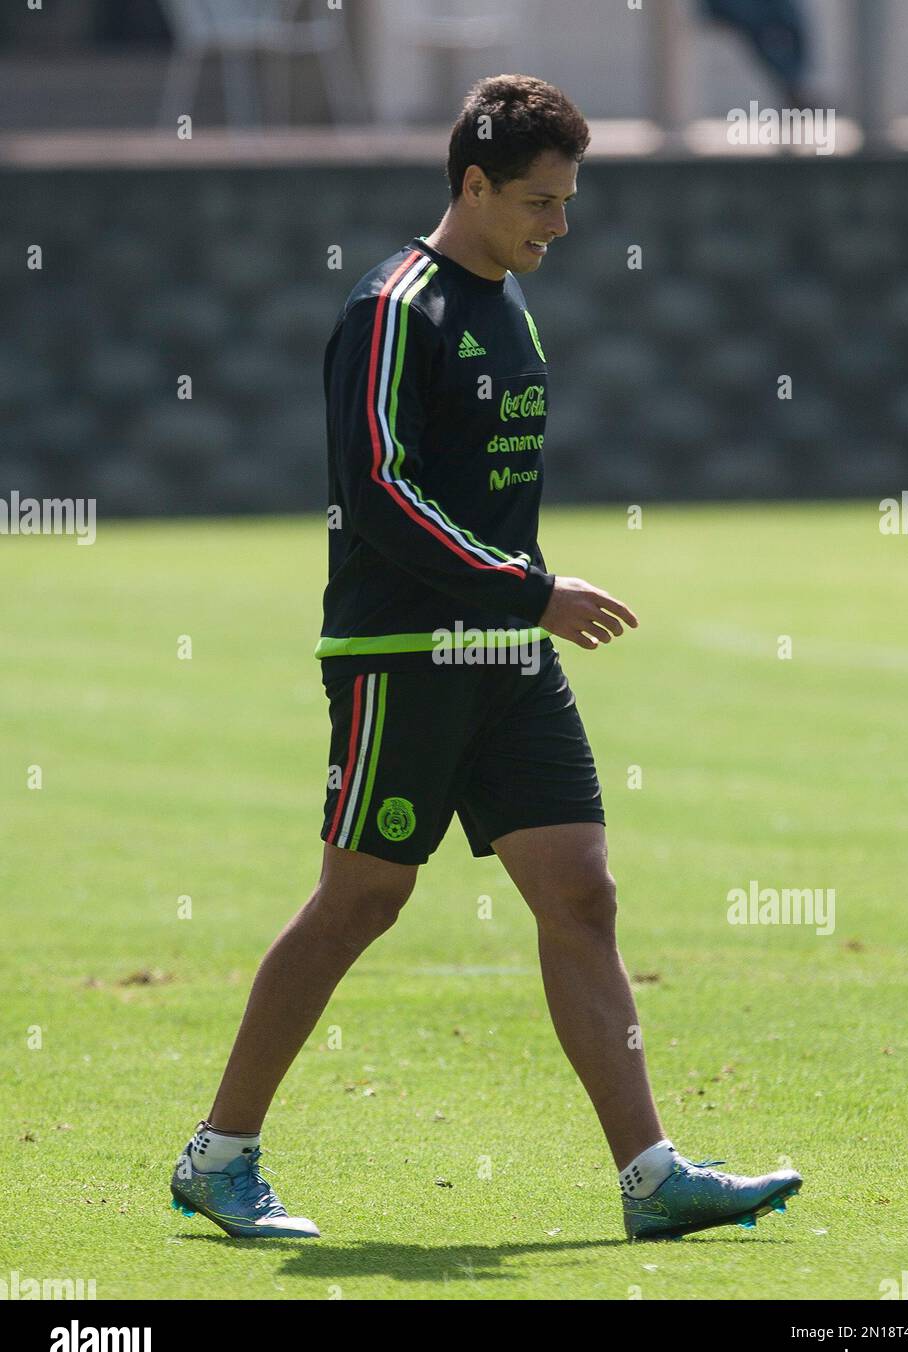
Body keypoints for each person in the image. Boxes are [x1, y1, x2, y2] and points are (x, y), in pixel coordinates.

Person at [169, 73, 802, 1243]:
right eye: (541, 202)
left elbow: (484, 494)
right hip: (403, 651)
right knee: (361, 901)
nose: (559, 225)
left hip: (508, 655)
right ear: (473, 184)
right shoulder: (393, 306)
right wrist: (535, 587)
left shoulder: (510, 299)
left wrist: (524, 600)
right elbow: (377, 493)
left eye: (566, 201)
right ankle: (219, 1156)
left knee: (582, 891)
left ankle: (649, 1174)